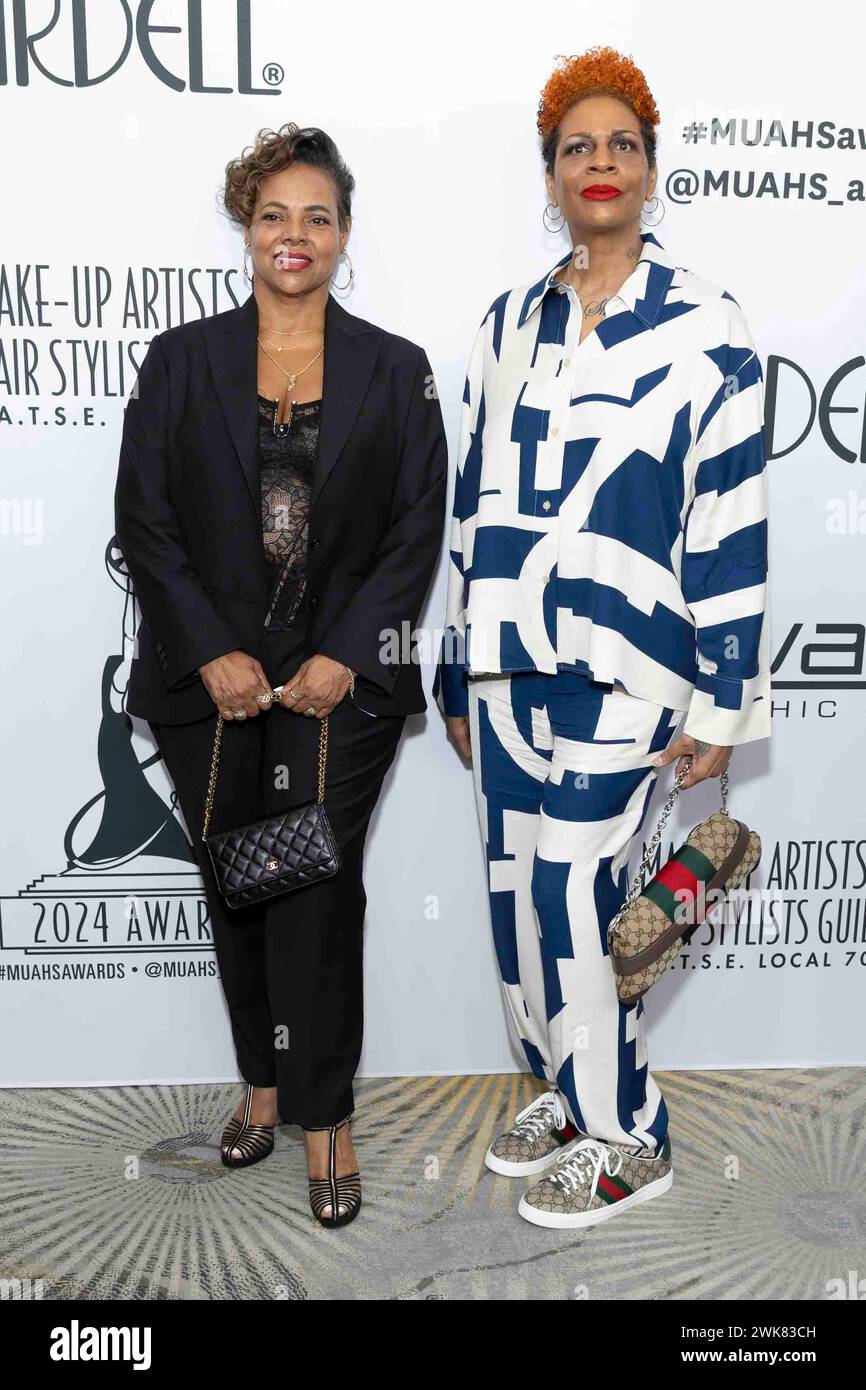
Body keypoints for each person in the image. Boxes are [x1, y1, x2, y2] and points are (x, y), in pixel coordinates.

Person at [434, 47, 770, 1229]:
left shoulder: (708, 327)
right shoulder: (504, 326)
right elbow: (471, 504)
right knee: (517, 898)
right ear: (548, 174)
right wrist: (453, 667)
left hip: (632, 665)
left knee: (575, 891)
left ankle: (631, 1133)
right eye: (575, 145)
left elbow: (728, 522)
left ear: (648, 167)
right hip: (505, 659)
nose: (599, 161)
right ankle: (567, 1090)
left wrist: (721, 703)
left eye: (620, 143)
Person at [115, 123, 447, 1228]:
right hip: (208, 680)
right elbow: (146, 518)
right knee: (236, 882)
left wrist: (345, 653)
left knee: (312, 884)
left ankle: (325, 1115)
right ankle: (261, 1079)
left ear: (344, 233)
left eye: (316, 215)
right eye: (272, 215)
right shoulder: (180, 361)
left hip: (339, 685)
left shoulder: (395, 370)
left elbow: (415, 526)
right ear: (246, 228)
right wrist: (210, 649)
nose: (293, 234)